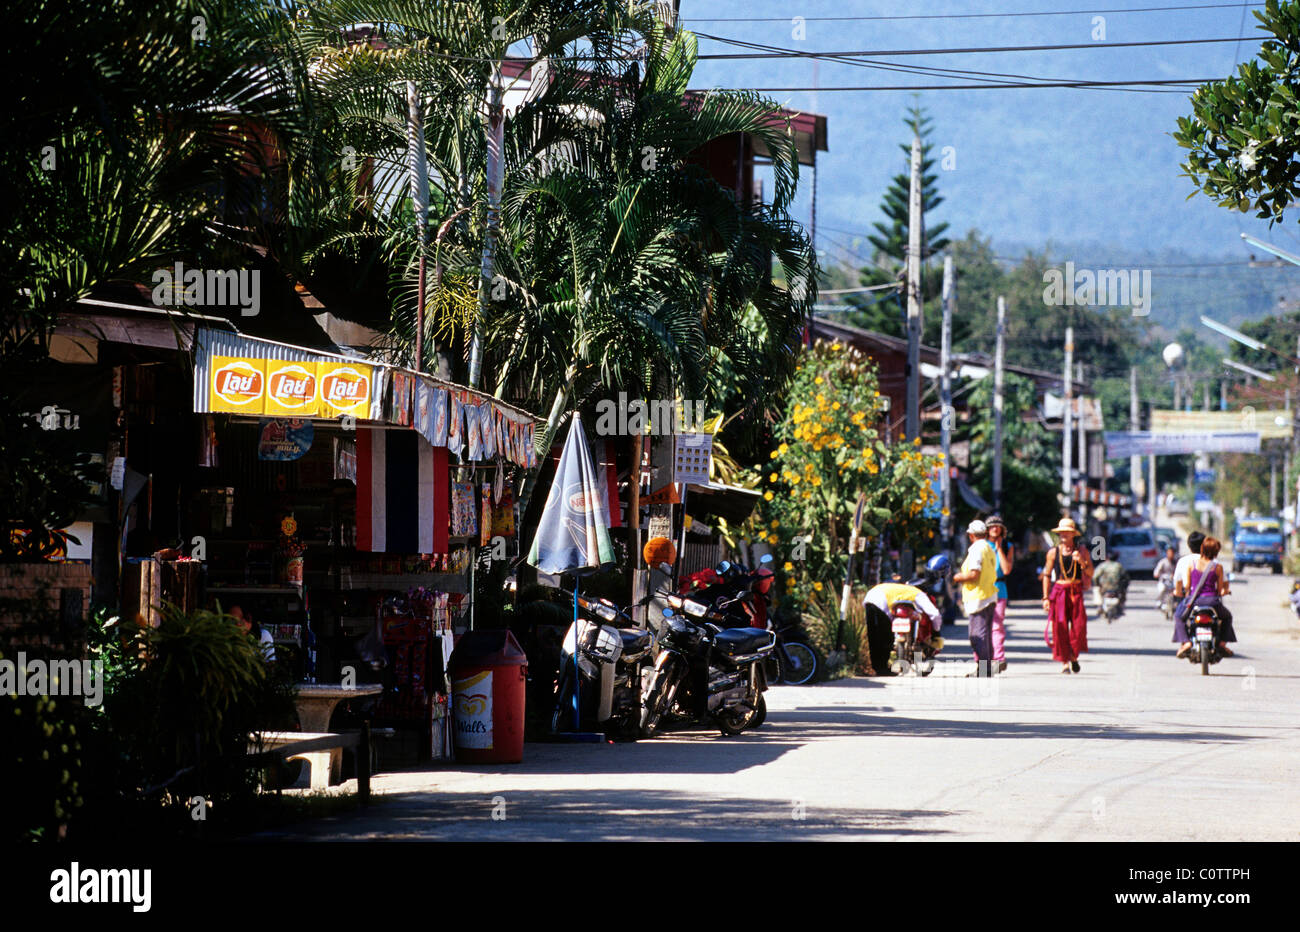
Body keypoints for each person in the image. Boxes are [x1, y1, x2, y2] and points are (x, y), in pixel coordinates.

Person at [862, 573, 946, 672]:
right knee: (886, 637)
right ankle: (882, 668)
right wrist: (936, 631)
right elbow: (934, 614)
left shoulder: (903, 589)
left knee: (874, 637)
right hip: (881, 601)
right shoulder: (918, 593)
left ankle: (878, 667)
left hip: (870, 596)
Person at [1041, 517, 1093, 673]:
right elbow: (1047, 575)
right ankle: (1065, 661)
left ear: (1073, 534)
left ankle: (1073, 655)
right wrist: (1045, 597)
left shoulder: (1082, 551)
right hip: (1060, 591)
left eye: (1067, 532)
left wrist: (1082, 562)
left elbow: (1091, 572)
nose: (1064, 534)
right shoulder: (1053, 553)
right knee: (1060, 627)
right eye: (1062, 532)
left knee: (1079, 626)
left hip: (1076, 591)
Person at [1173, 536, 1237, 658]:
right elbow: (1219, 590)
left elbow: (1187, 586)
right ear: (1216, 552)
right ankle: (1222, 643)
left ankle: (1186, 642)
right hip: (1212, 602)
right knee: (1227, 617)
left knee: (1178, 616)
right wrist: (1224, 591)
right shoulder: (1218, 567)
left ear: (1202, 549)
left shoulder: (1192, 565)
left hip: (1194, 601)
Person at [951, 520, 999, 676]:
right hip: (989, 595)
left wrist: (957, 577)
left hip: (979, 597)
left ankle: (984, 669)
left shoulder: (976, 549)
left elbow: (974, 574)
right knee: (985, 634)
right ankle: (985, 668)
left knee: (977, 635)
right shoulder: (988, 548)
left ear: (971, 535)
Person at [986, 515, 1015, 674]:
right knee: (984, 625)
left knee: (997, 625)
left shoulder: (1007, 546)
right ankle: (985, 659)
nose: (995, 529)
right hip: (984, 588)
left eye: (998, 526)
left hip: (1000, 588)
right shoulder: (982, 545)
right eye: (991, 526)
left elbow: (1006, 570)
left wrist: (999, 549)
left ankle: (999, 658)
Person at [1153, 546, 1177, 610]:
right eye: (1169, 553)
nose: (1171, 554)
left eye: (1172, 553)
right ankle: (1159, 601)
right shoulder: (1163, 562)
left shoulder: (1176, 562)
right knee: (1162, 589)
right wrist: (1158, 574)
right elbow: (1156, 572)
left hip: (1173, 582)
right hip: (1164, 581)